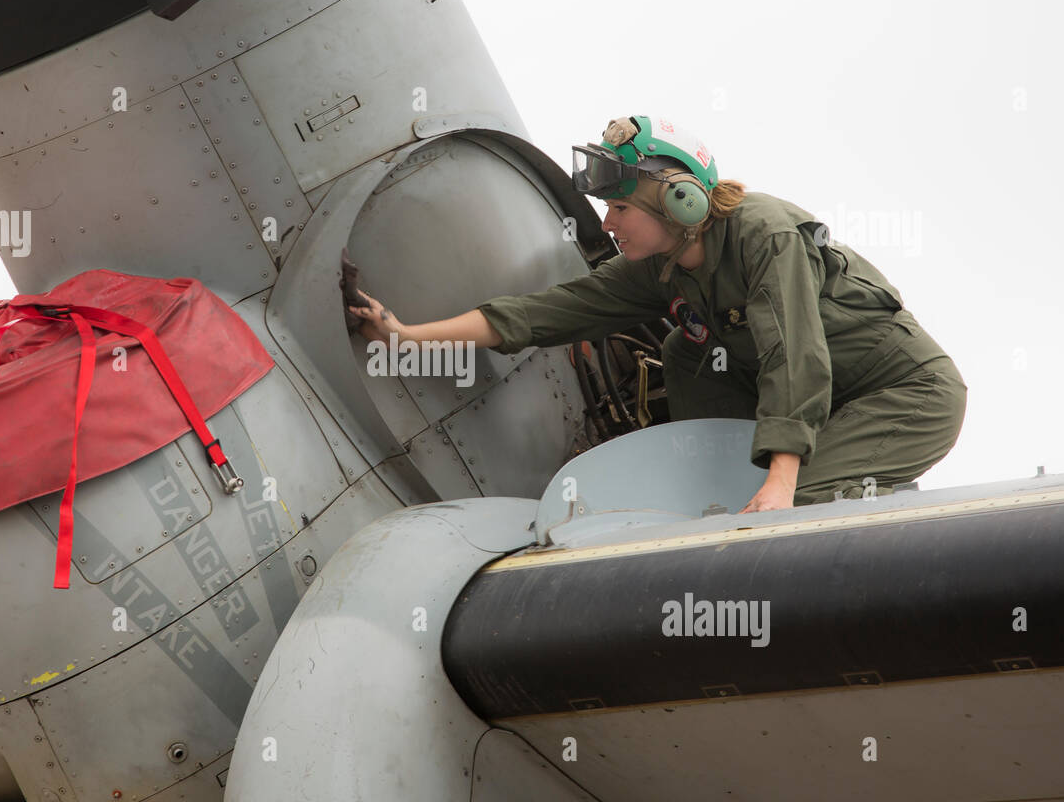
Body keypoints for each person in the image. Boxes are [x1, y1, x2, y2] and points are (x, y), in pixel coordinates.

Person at [349, 114, 967, 512]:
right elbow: (545, 313)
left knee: (800, 503)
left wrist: (780, 486)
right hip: (823, 404)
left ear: (674, 199)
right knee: (685, 352)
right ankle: (713, 496)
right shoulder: (660, 267)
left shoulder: (763, 234)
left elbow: (794, 357)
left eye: (618, 208)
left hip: (905, 395)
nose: (608, 223)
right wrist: (404, 333)